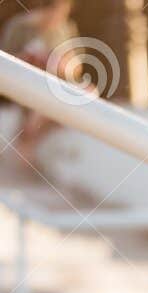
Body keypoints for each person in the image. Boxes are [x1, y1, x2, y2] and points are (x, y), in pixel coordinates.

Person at [0, 2, 88, 171]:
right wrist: (29, 59)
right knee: (42, 107)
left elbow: (76, 67)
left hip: (59, 87)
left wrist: (61, 63)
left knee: (86, 92)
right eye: (59, 11)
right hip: (30, 88)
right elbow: (5, 65)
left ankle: (26, 144)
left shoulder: (65, 27)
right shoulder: (20, 26)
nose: (61, 16)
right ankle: (25, 149)